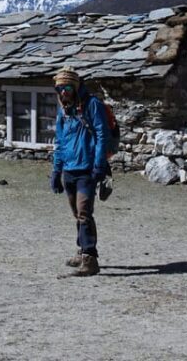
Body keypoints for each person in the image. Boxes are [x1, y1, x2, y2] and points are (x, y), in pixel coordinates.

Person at [50, 66, 109, 277]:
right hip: (69, 169)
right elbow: (59, 141)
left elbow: (102, 135)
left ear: (75, 87)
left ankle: (90, 259)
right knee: (77, 213)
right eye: (59, 89)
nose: (63, 92)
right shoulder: (64, 110)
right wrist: (56, 171)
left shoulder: (92, 105)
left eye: (67, 88)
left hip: (87, 169)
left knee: (84, 213)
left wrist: (99, 165)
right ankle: (82, 250)